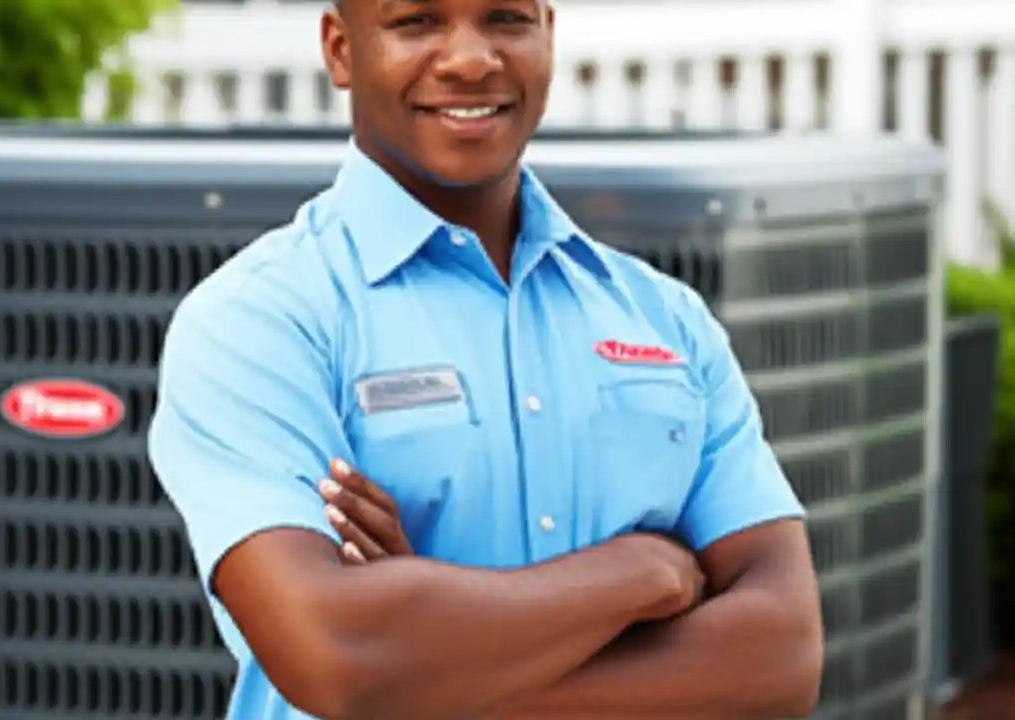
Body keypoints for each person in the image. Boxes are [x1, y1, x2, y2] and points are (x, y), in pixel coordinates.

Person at [147, 0, 824, 717]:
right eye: (417, 22)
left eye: (506, 17)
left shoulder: (668, 321)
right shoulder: (261, 322)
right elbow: (337, 656)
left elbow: (782, 656)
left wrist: (427, 663)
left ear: (548, 36)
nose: (471, 60)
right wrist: (642, 573)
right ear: (342, 50)